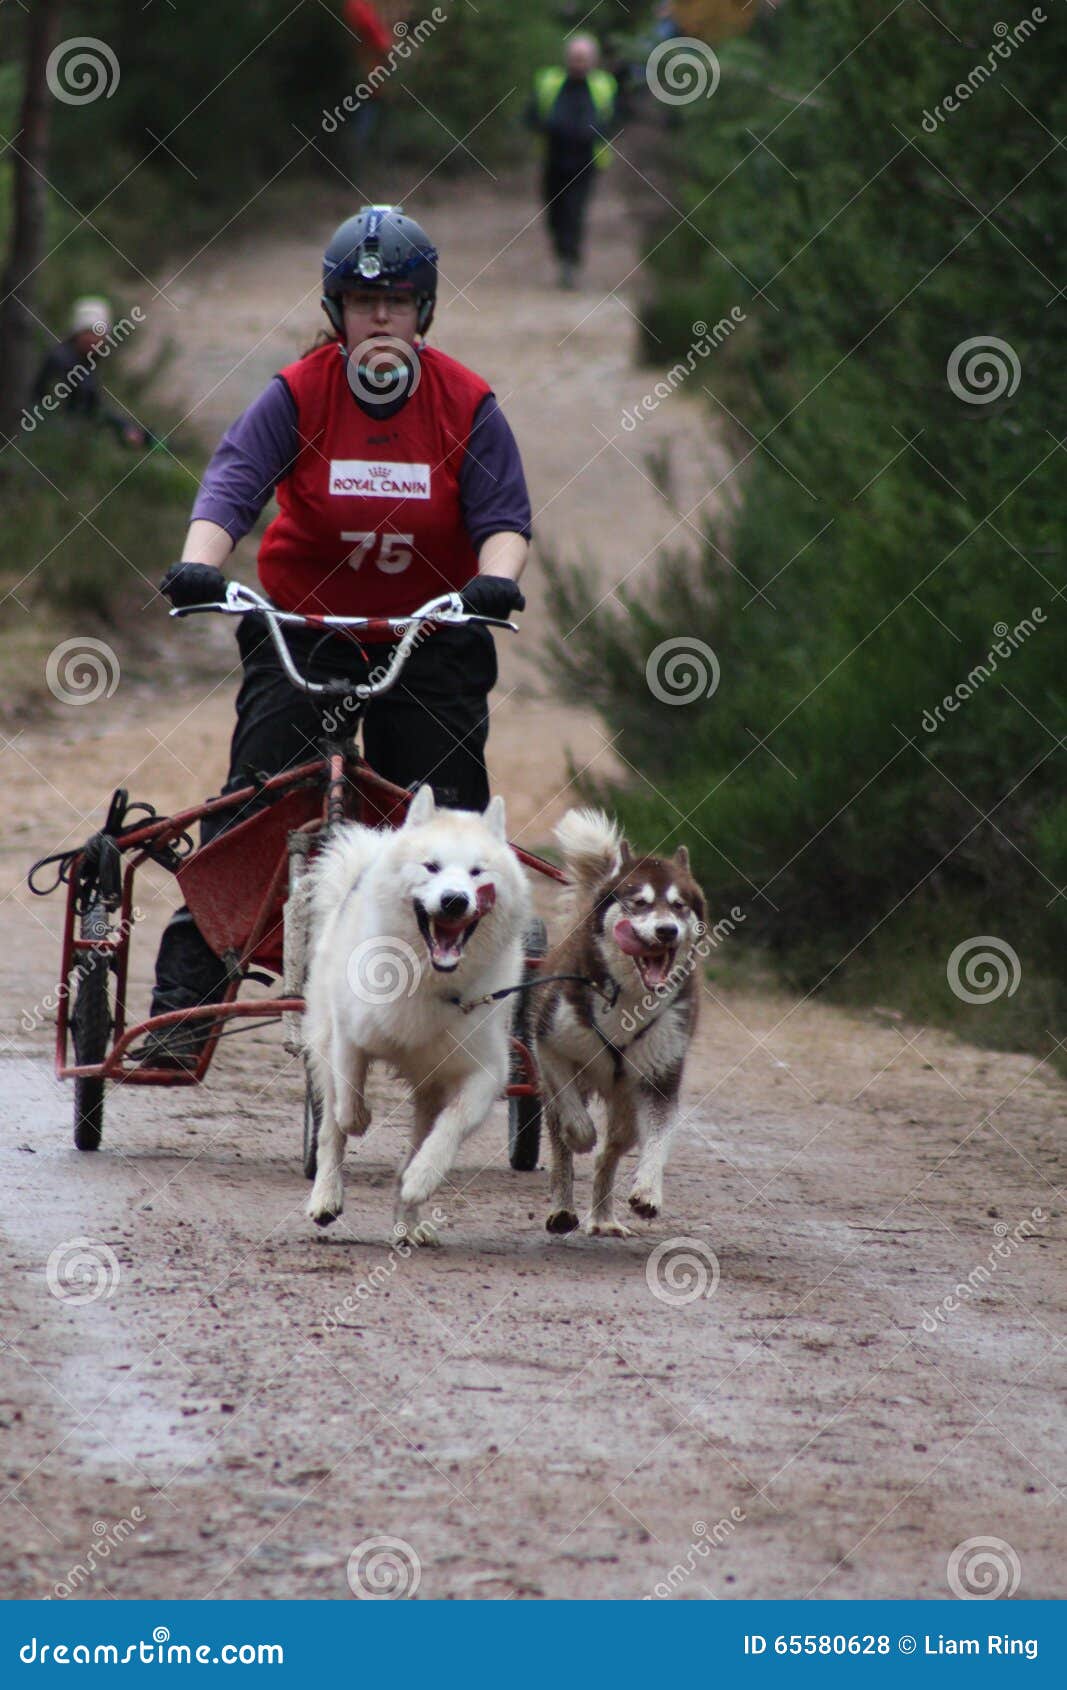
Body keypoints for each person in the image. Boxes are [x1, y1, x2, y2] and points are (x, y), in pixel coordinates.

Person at [143, 204, 531, 1066]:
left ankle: (469, 1012)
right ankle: (185, 1010)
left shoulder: (466, 401)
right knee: (255, 801)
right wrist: (200, 564)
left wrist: (493, 580)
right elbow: (232, 486)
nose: (380, 317)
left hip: (429, 633)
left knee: (445, 820)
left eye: (397, 299)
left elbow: (503, 515)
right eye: (363, 302)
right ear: (336, 312)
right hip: (303, 628)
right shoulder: (298, 392)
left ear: (423, 310)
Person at [529, 35, 617, 290]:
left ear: (593, 61)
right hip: (554, 157)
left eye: (584, 58)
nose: (579, 63)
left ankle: (570, 262)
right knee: (555, 211)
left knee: (575, 211)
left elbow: (614, 118)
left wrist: (597, 132)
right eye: (575, 58)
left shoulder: (603, 85)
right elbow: (532, 114)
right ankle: (562, 254)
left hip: (586, 161)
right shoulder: (549, 81)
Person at [31, 298, 147, 446]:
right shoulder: (60, 361)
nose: (94, 339)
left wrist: (125, 427)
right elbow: (52, 410)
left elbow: (96, 409)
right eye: (89, 332)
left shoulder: (87, 363)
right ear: (77, 333)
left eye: (99, 334)